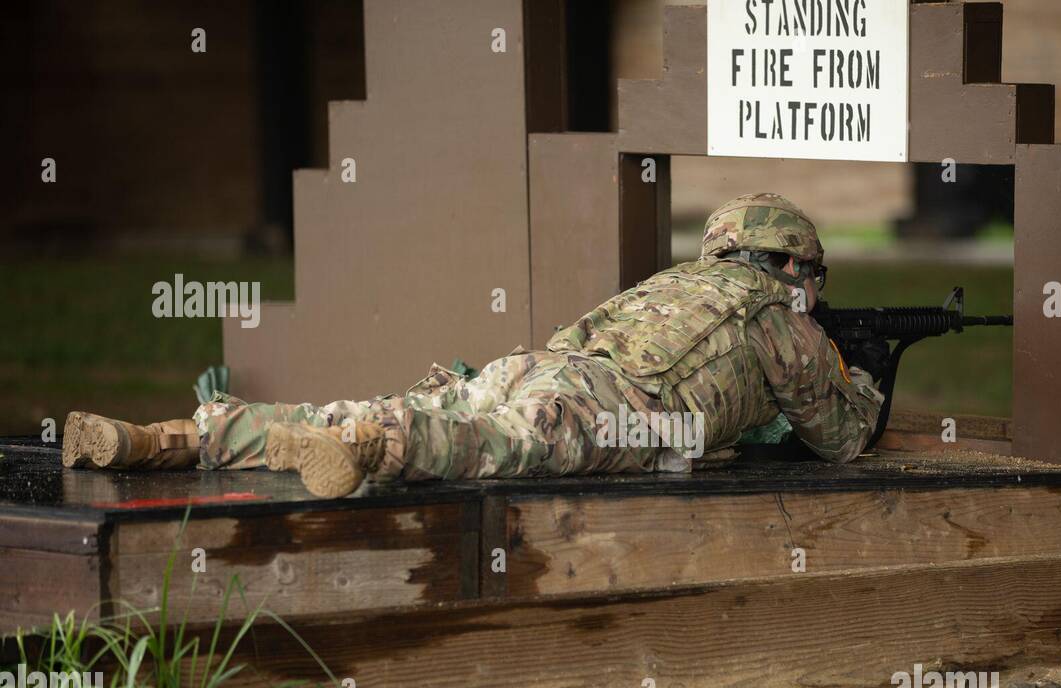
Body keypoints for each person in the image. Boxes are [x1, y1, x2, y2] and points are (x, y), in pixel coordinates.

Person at [62, 193, 884, 498]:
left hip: (532, 365)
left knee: (388, 402)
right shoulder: (782, 319)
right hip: (615, 409)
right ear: (788, 268)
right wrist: (866, 385)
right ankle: (370, 447)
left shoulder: (672, 282)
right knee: (498, 450)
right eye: (810, 275)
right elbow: (840, 441)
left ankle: (166, 439)